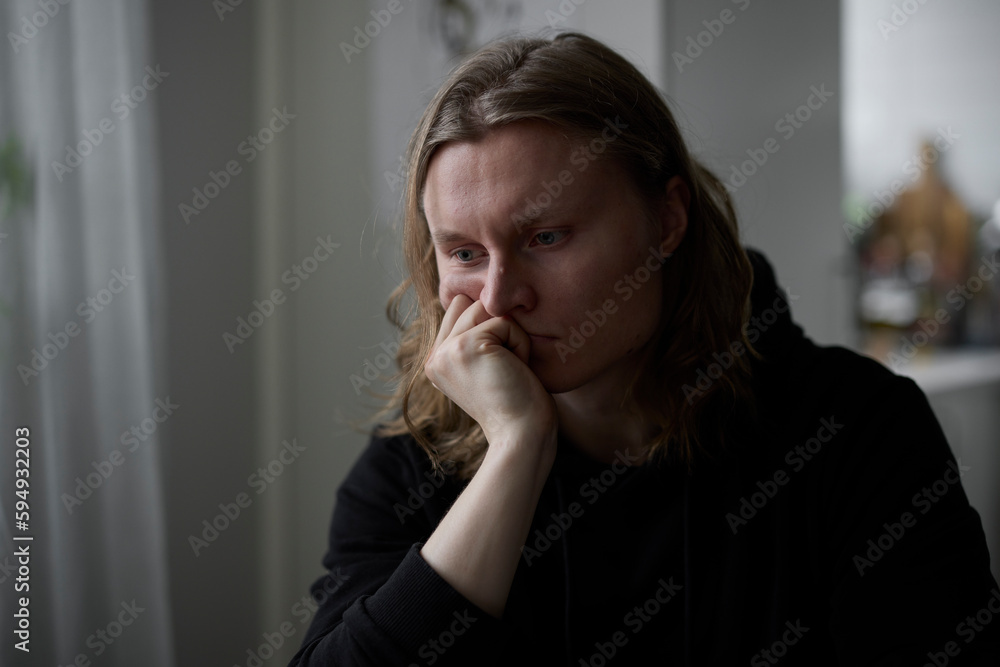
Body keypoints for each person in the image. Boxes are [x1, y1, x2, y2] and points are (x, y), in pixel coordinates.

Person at [289, 32, 1000, 666]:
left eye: (546, 237)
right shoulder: (408, 465)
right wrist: (516, 453)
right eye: (466, 252)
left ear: (666, 221)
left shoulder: (858, 431)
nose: (501, 297)